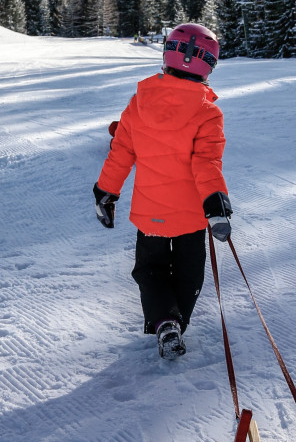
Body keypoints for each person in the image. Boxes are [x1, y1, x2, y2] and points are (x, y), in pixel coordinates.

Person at [93, 22, 233, 359]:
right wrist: (215, 206)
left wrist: (105, 193)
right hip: (189, 217)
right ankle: (174, 321)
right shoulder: (208, 112)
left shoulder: (139, 101)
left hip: (149, 214)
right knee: (189, 272)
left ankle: (165, 321)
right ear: (209, 66)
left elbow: (121, 153)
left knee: (150, 270)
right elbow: (206, 164)